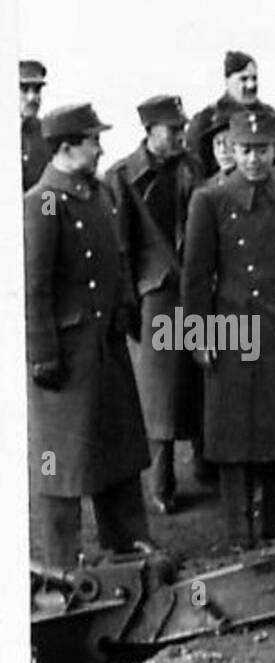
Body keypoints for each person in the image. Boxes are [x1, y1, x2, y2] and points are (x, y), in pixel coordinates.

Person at [181, 108, 275, 547]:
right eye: (245, 150)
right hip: (233, 334)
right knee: (236, 444)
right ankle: (240, 537)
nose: (253, 160)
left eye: (262, 150)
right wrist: (198, 338)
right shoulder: (208, 201)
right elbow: (195, 277)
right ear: (231, 149)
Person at [25, 103, 156, 568]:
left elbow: (118, 257)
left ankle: (127, 545)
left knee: (117, 450)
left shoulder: (97, 194)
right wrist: (42, 354)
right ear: (66, 147)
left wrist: (123, 307)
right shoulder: (43, 201)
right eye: (92, 140)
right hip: (67, 357)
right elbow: (34, 285)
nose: (100, 148)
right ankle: (61, 564)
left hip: (106, 346)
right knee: (61, 464)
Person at [105, 94, 210, 515]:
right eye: (173, 130)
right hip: (157, 296)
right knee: (162, 395)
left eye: (183, 128)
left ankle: (208, 465)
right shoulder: (121, 177)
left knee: (204, 374)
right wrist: (130, 306)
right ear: (150, 132)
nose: (182, 136)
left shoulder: (191, 167)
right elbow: (120, 250)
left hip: (196, 289)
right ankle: (162, 486)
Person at [186, 50, 268, 178]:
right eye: (244, 79)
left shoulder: (267, 116)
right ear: (227, 81)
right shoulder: (206, 120)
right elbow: (197, 171)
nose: (251, 85)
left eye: (254, 78)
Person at [20, 59, 50, 191]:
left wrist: (48, 211)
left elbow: (49, 190)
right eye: (24, 89)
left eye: (37, 89)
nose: (32, 97)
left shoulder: (47, 134)